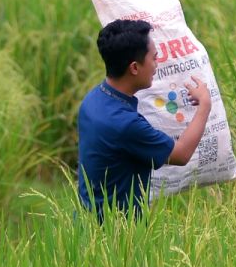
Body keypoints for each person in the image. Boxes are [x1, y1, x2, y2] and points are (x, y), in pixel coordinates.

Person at [77, 18, 212, 220]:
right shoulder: (124, 125)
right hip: (117, 233)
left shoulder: (93, 99)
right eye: (154, 58)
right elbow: (181, 154)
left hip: (86, 220)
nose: (157, 65)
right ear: (134, 68)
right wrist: (205, 105)